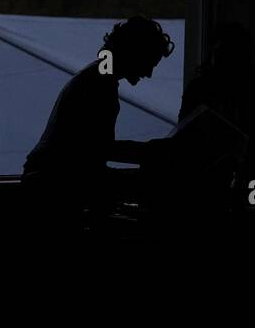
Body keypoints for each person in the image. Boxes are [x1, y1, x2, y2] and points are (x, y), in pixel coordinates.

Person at [21, 16, 175, 232]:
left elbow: (92, 152)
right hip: (55, 186)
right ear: (134, 52)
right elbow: (99, 149)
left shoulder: (95, 77)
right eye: (149, 62)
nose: (148, 73)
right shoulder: (100, 85)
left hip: (48, 182)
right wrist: (151, 152)